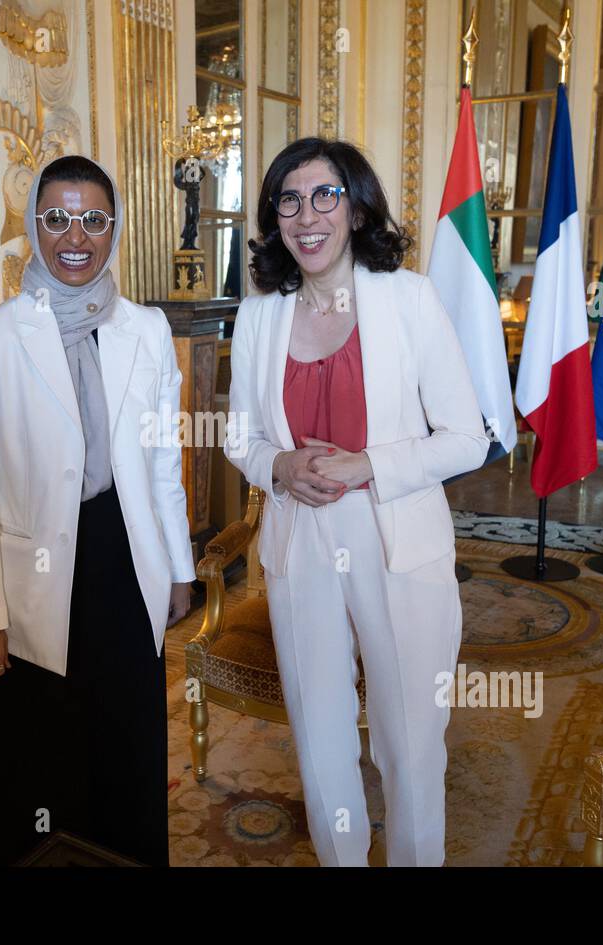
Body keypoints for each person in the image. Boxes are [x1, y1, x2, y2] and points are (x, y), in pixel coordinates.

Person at [225, 138, 489, 867]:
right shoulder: (258, 318)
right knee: (320, 737)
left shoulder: (409, 300)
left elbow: (468, 437)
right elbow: (238, 437)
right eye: (289, 199)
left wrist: (367, 464)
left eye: (325, 196)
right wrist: (277, 464)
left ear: (356, 206)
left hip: (396, 540)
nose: (307, 215)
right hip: (297, 539)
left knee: (409, 743)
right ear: (274, 217)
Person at [0, 155, 195, 867]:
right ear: (34, 227)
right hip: (31, 579)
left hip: (126, 562)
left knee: (127, 743)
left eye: (92, 219)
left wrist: (178, 567)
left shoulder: (145, 329)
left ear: (113, 229)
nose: (74, 236)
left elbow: (160, 462)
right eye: (56, 218)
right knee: (40, 755)